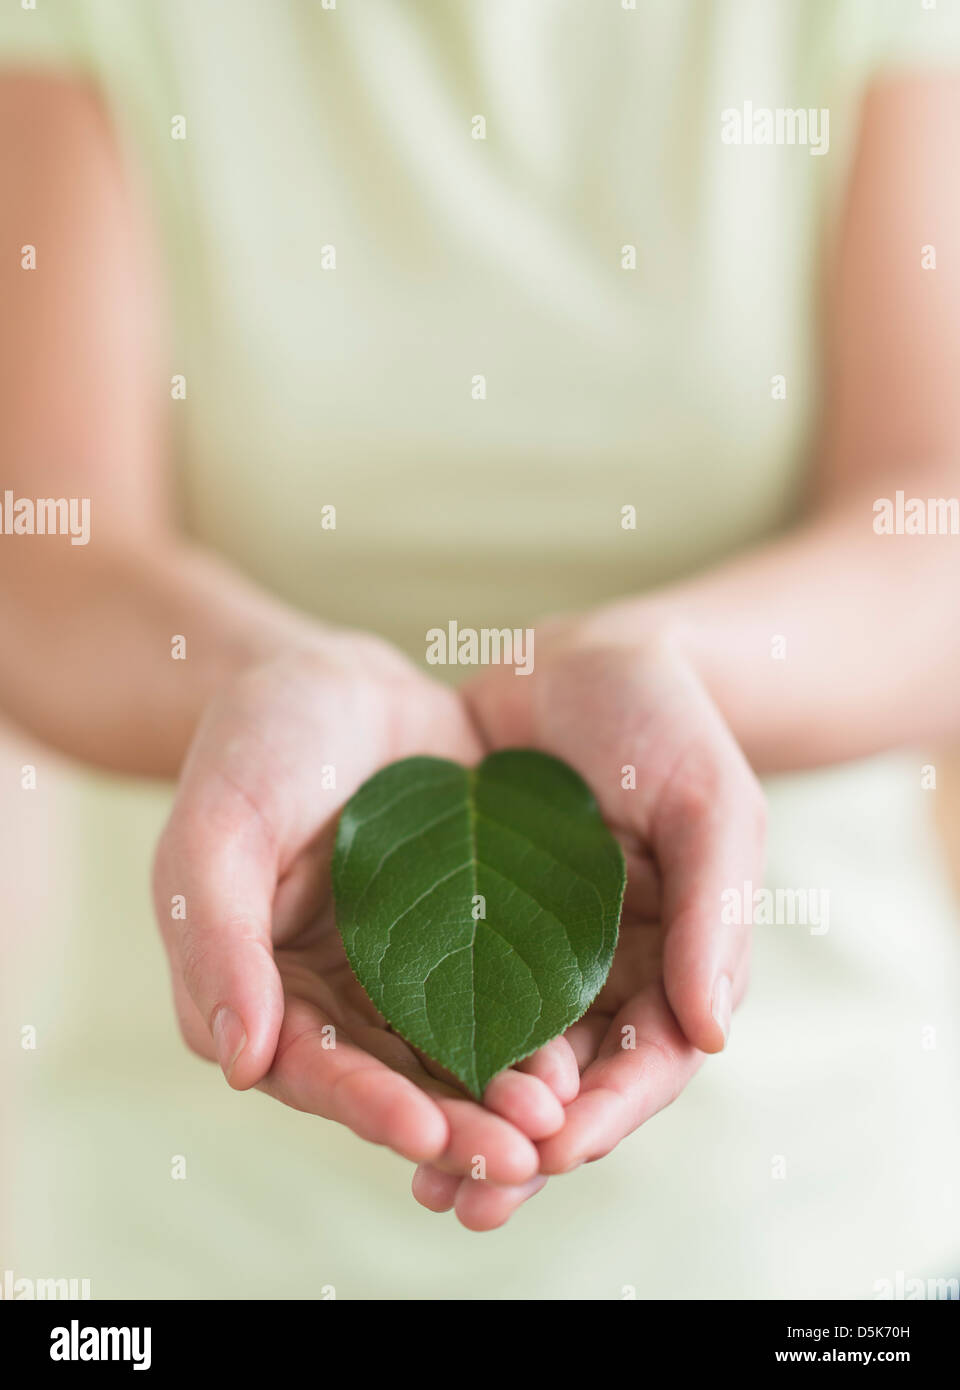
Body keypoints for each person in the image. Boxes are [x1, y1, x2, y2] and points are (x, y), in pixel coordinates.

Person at [2, 0, 959, 1298]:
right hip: (194, 1229)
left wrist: (677, 671)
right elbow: (40, 546)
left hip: (800, 1203)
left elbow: (934, 518)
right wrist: (256, 685)